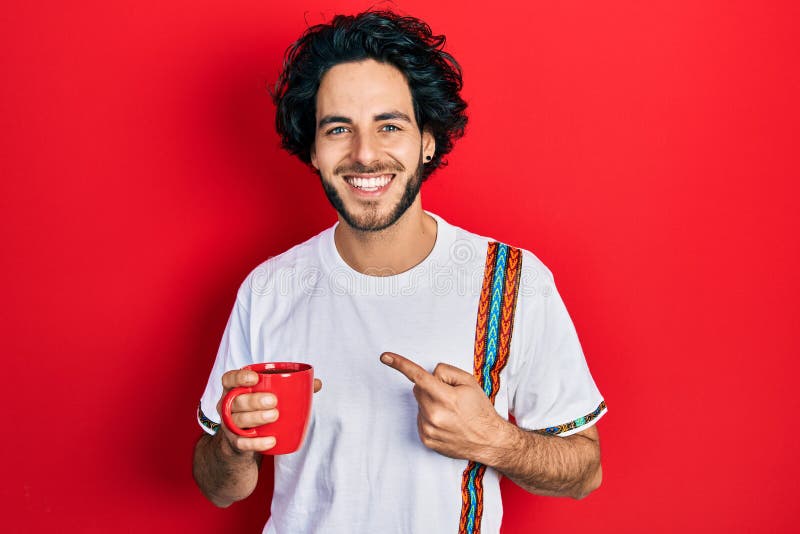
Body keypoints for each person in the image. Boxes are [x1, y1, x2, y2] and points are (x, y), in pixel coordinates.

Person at [192, 10, 607, 534]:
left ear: (427, 140)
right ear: (314, 152)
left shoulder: (512, 281)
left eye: (389, 126)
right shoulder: (269, 287)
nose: (365, 155)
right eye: (338, 129)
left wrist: (494, 441)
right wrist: (232, 443)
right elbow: (219, 488)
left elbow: (585, 470)